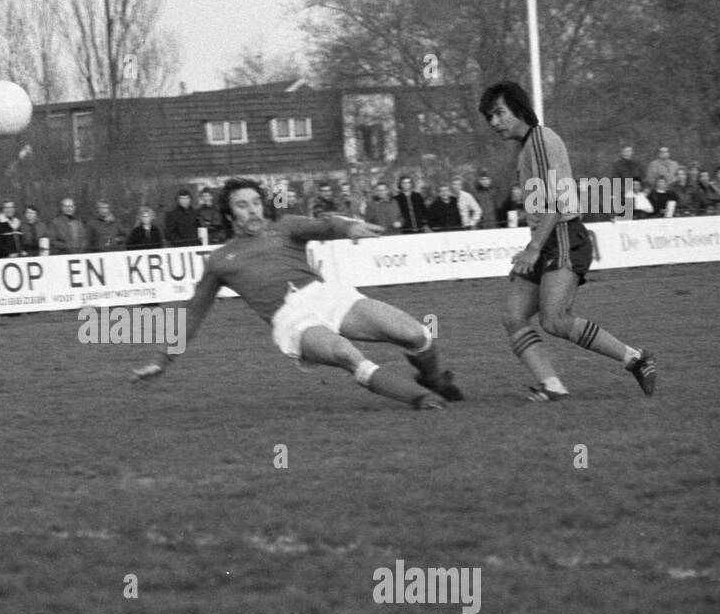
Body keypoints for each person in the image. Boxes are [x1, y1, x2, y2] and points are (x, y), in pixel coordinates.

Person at [131, 178, 462, 409]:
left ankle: (433, 379)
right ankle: (420, 399)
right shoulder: (220, 260)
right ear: (230, 216)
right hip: (291, 319)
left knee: (413, 333)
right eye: (243, 206)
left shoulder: (285, 226)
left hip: (325, 294)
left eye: (257, 203)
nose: (253, 211)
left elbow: (325, 224)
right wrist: (163, 360)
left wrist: (348, 227)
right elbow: (193, 314)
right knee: (346, 354)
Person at [479, 81, 655, 401]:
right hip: (547, 238)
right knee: (513, 316)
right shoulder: (527, 148)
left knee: (555, 319)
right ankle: (552, 386)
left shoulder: (542, 140)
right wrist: (529, 255)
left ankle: (636, 358)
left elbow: (557, 202)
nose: (493, 123)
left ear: (519, 109)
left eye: (499, 113)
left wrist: (533, 249)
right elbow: (541, 205)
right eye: (489, 117)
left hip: (562, 235)